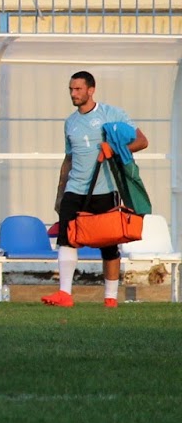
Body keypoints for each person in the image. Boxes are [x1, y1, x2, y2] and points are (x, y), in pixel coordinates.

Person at [44, 70, 148, 308]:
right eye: (71, 89)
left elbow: (142, 141)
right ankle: (64, 294)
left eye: (78, 89)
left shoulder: (112, 113)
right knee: (66, 239)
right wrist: (60, 192)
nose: (73, 93)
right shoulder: (70, 122)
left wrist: (116, 150)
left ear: (91, 90)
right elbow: (68, 159)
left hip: (104, 189)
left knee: (108, 244)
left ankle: (110, 298)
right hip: (75, 189)